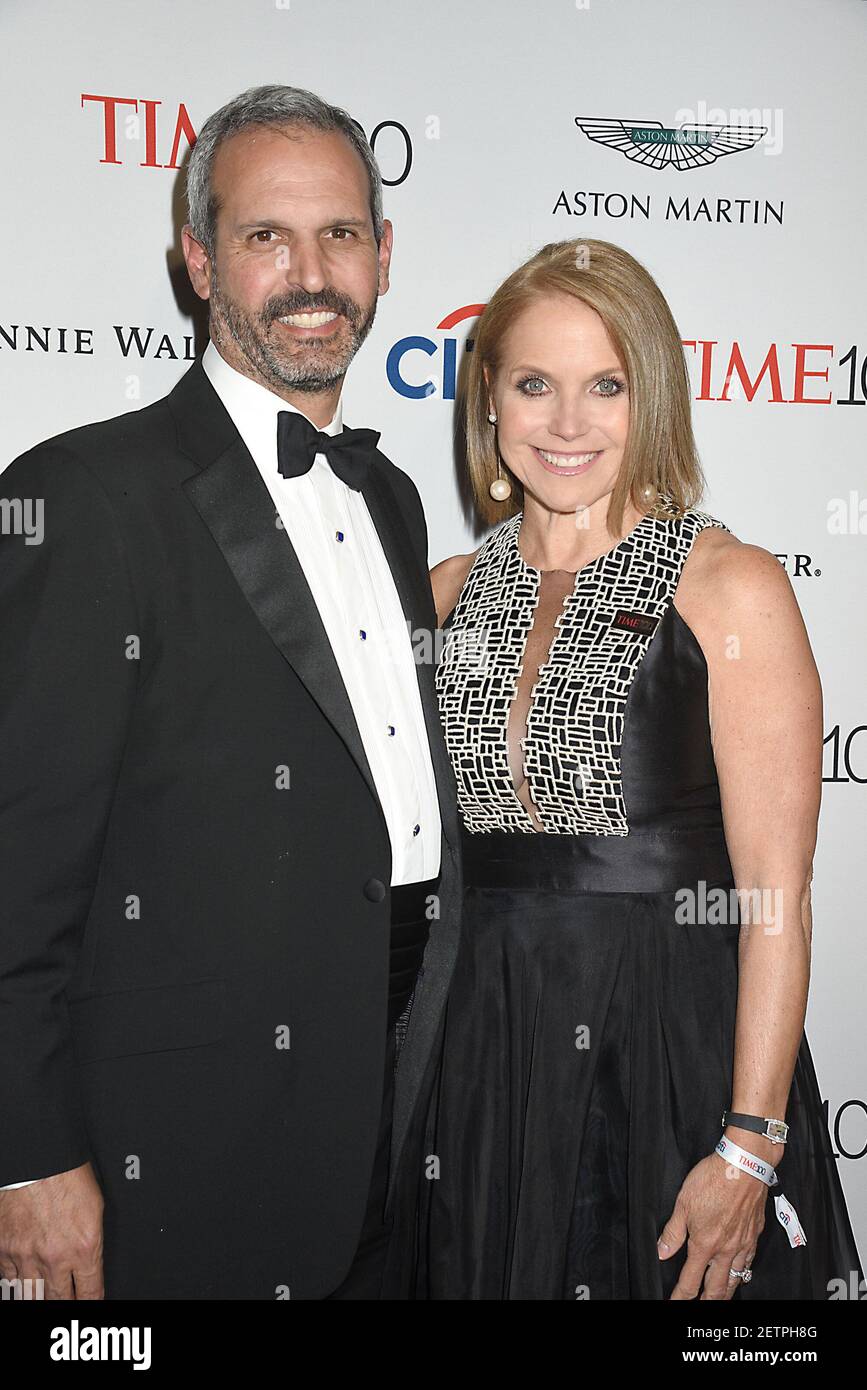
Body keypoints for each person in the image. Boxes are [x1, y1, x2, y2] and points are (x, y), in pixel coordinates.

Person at [0, 84, 462, 1300]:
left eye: (342, 235)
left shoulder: (395, 501)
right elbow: (15, 864)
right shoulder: (88, 496)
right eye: (267, 237)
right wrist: (30, 1160)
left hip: (397, 1121)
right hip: (179, 1156)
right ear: (199, 259)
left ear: (384, 254)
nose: (312, 274)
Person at [385, 237, 864, 1300]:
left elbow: (775, 899)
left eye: (607, 385)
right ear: (490, 405)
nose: (568, 422)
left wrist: (748, 1143)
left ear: (651, 401)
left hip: (674, 1048)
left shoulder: (729, 586)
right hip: (483, 1053)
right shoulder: (448, 590)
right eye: (535, 384)